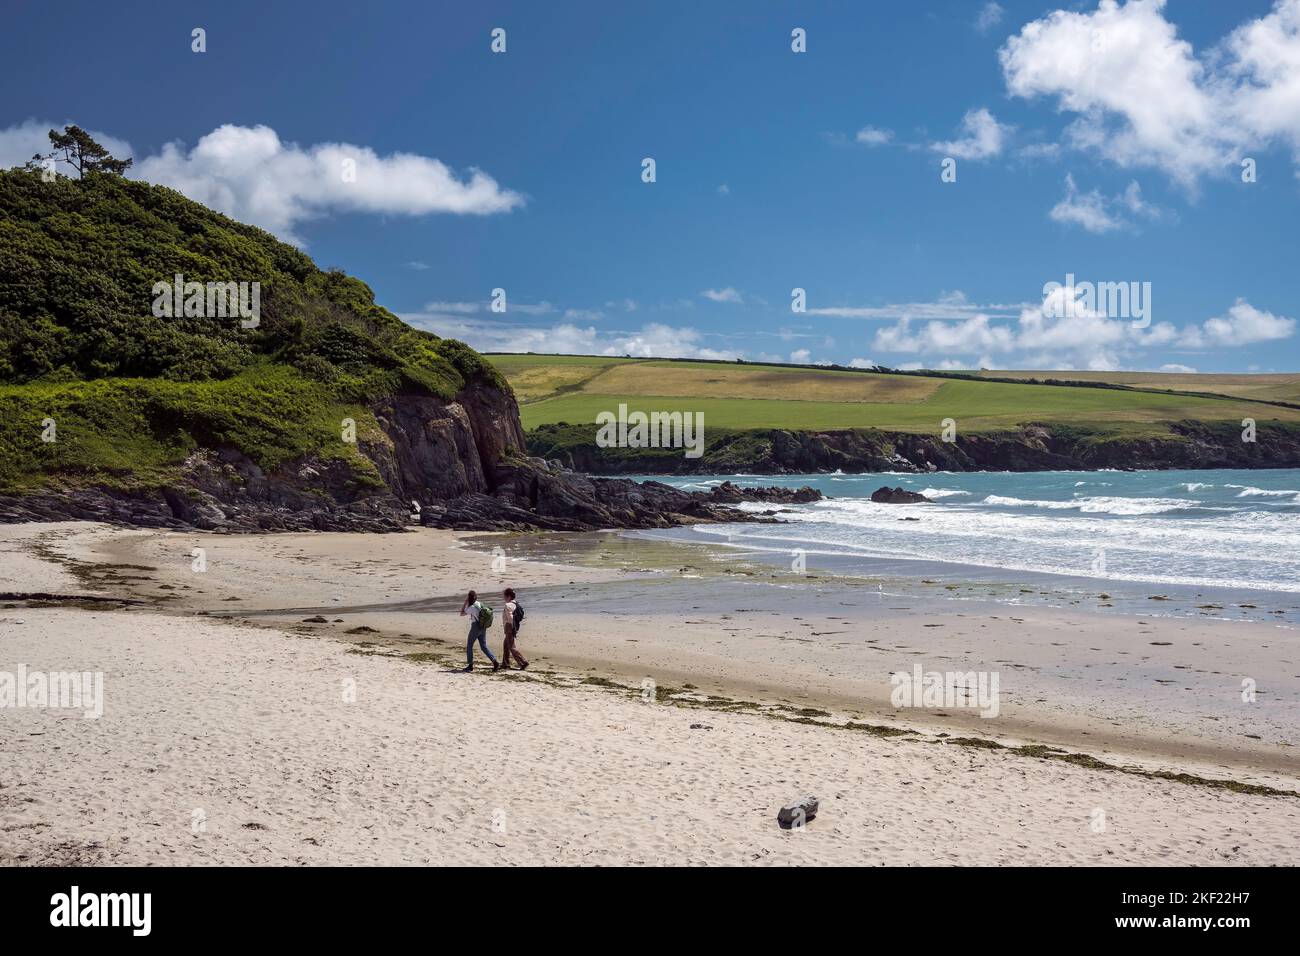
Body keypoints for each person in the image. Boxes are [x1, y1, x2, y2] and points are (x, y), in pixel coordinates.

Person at [460, 589, 499, 672]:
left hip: (475, 627)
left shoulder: (471, 607)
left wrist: (465, 602)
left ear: (469, 598)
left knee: (469, 645)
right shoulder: (480, 603)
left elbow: (461, 613)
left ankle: (470, 666)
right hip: (483, 626)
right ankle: (494, 661)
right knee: (484, 646)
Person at [500, 587, 528, 671]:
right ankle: (505, 664)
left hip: (509, 627)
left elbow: (510, 618)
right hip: (514, 626)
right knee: (506, 645)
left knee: (511, 646)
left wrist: (512, 628)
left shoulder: (507, 605)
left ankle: (523, 662)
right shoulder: (516, 604)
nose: (503, 598)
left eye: (504, 596)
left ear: (508, 596)